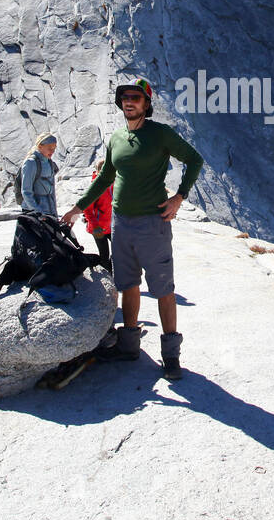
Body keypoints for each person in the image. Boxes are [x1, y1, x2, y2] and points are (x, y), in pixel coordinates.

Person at [62, 77, 203, 379]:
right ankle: (129, 346)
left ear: (147, 103)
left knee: (164, 289)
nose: (129, 102)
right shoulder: (116, 139)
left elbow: (194, 159)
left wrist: (179, 197)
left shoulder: (160, 134)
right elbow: (104, 179)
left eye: (136, 98)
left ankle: (171, 356)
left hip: (153, 224)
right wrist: (78, 208)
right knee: (127, 285)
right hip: (120, 223)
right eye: (125, 97)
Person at [81, 158, 113, 272]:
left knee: (121, 251)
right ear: (99, 171)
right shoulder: (95, 187)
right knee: (104, 254)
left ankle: (112, 273)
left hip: (112, 226)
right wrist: (95, 225)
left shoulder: (114, 184)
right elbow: (87, 209)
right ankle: (108, 278)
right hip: (98, 228)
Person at [20, 133, 59, 217]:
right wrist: (38, 212)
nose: (52, 151)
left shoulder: (50, 163)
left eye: (54, 148)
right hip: (33, 213)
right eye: (49, 148)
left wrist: (54, 213)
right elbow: (26, 191)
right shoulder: (31, 163)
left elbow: (52, 191)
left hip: (49, 210)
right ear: (40, 146)